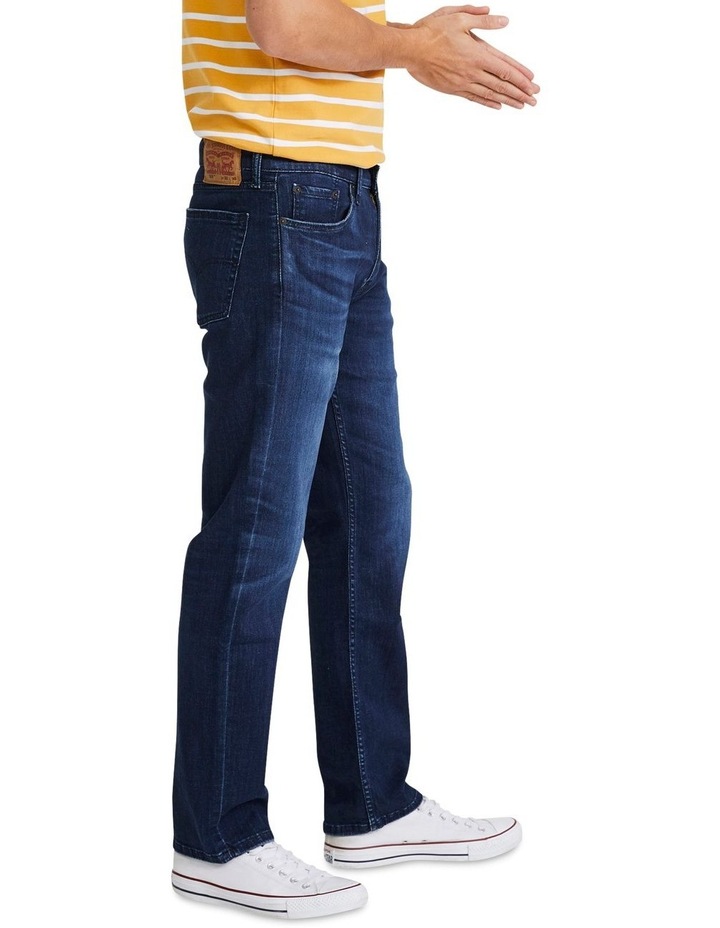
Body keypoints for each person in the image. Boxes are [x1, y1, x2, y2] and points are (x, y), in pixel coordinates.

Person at [172, 0, 539, 918]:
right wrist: (414, 48)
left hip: (336, 203)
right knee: (254, 532)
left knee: (370, 513)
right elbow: (285, 25)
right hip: (275, 203)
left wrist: (407, 44)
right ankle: (217, 837)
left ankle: (373, 802)